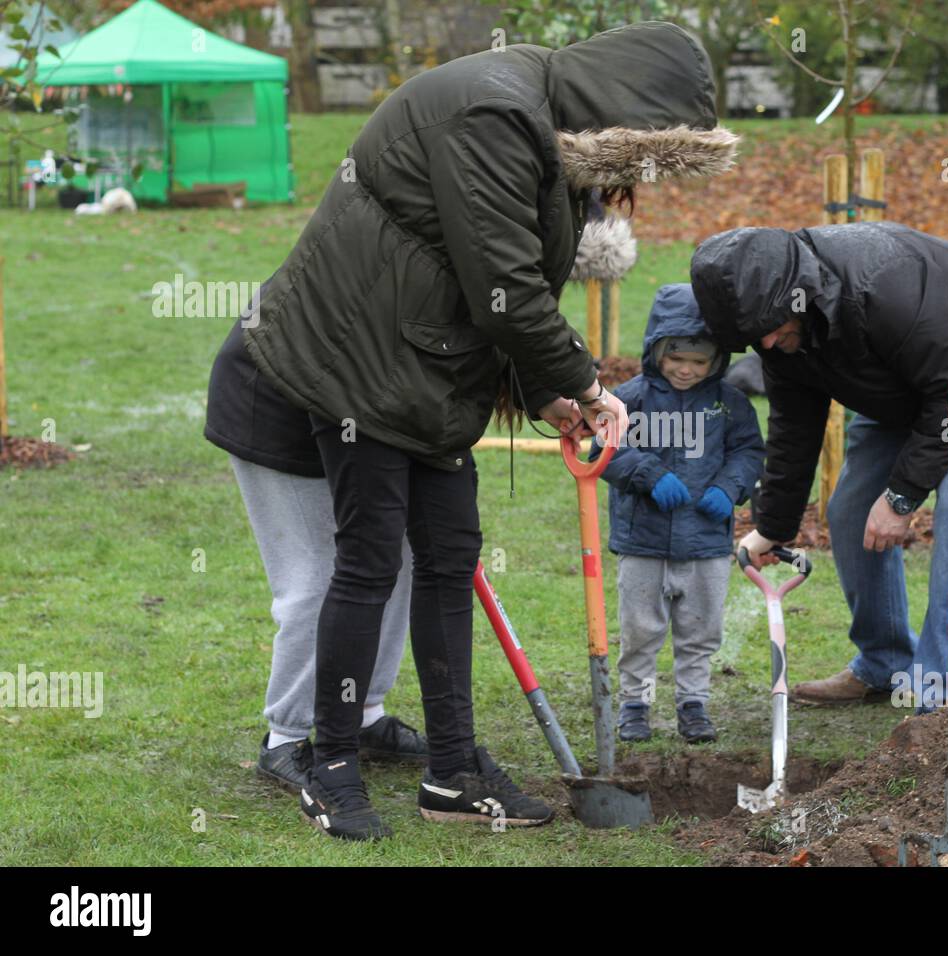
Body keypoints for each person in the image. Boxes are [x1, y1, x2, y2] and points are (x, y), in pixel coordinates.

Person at [237, 21, 737, 840]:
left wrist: (549, 394)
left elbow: (502, 287)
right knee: (367, 563)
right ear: (620, 108)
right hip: (357, 363)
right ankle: (328, 762)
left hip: (428, 366)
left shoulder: (551, 130)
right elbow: (502, 280)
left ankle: (455, 769)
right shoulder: (492, 112)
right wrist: (581, 379)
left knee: (447, 558)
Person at [690, 223, 948, 709]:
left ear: (797, 297)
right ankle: (885, 664)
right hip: (904, 382)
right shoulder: (777, 328)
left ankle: (943, 688)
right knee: (848, 510)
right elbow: (795, 426)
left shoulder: (881, 287)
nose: (770, 345)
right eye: (756, 338)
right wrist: (773, 526)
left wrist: (901, 497)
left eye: (772, 331)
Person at [205, 311, 427, 794]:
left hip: (352, 406)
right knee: (320, 574)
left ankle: (365, 711)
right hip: (274, 404)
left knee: (397, 553)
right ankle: (284, 737)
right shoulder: (372, 259)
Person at [591, 284, 764, 744]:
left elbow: (749, 451)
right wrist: (648, 474)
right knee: (641, 629)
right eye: (675, 359)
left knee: (701, 629)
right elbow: (603, 449)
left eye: (698, 361)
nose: (686, 370)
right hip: (643, 540)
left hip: (706, 542)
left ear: (716, 361)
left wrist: (729, 489)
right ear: (656, 351)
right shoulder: (629, 399)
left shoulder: (731, 403)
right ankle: (635, 704)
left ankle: (693, 703)